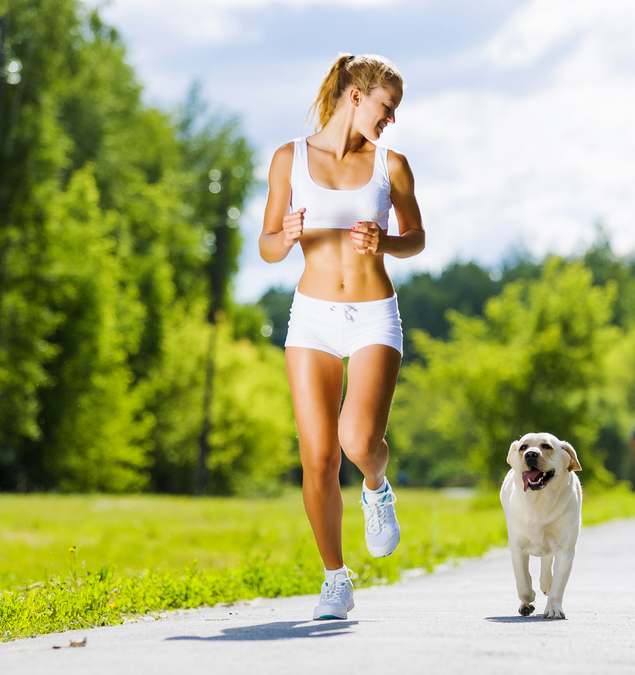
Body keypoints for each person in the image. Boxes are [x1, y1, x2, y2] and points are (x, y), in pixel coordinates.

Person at [259, 53, 424, 621]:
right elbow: (267, 245)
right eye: (387, 107)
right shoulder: (289, 159)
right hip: (311, 318)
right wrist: (285, 235)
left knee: (357, 442)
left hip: (375, 314)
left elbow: (417, 237)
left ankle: (376, 486)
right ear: (357, 97)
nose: (391, 119)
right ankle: (336, 577)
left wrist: (386, 242)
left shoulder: (391, 165)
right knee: (319, 456)